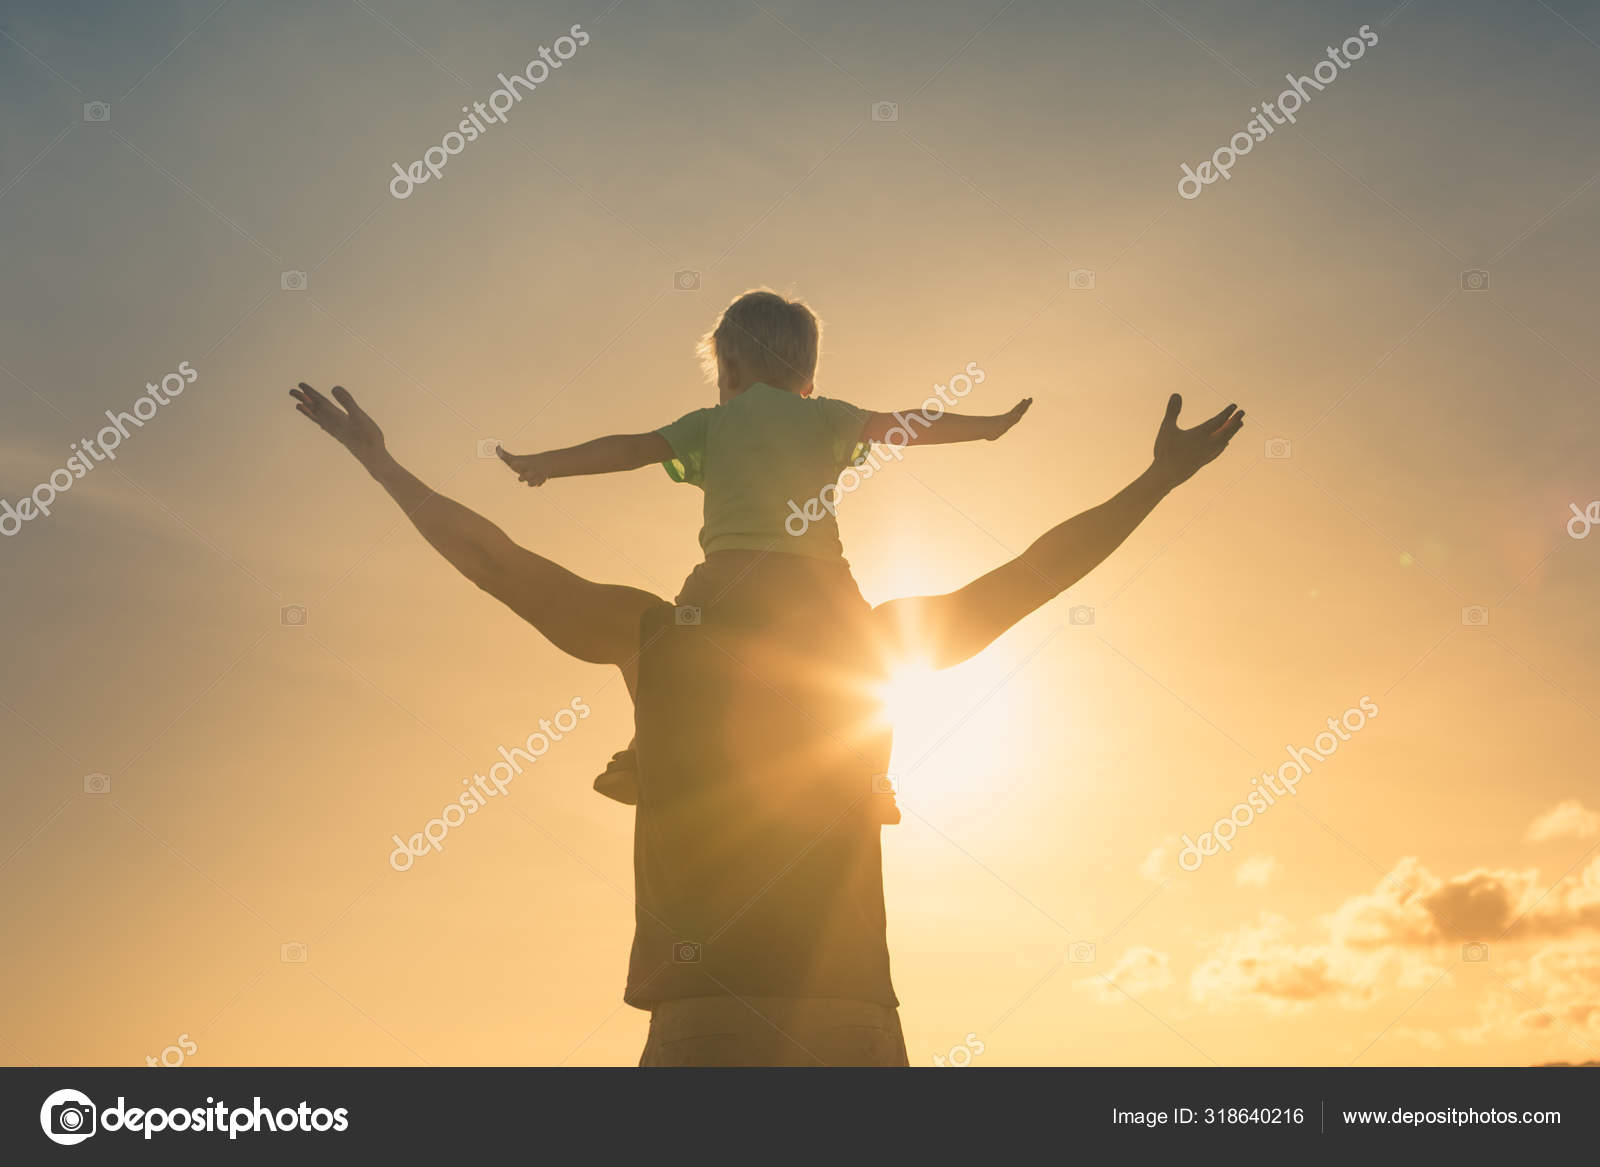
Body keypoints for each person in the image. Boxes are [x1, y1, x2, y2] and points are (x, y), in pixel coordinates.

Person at [289, 378, 1243, 1065]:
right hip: (850, 1019)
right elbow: (1034, 575)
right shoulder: (873, 645)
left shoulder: (652, 637)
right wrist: (1157, 479)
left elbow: (492, 559)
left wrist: (379, 461)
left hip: (707, 1026)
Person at [493, 289, 1032, 804]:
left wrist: (549, 465)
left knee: (659, 651)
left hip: (727, 582)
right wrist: (986, 426)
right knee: (871, 666)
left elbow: (628, 450)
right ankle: (871, 781)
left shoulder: (712, 423)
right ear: (808, 377)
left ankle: (643, 756)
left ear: (728, 370)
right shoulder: (826, 415)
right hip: (819, 585)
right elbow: (907, 426)